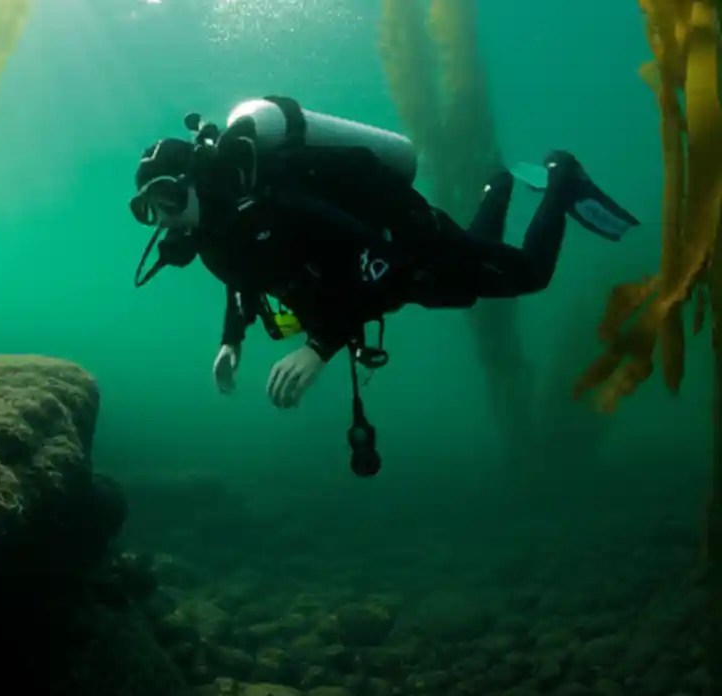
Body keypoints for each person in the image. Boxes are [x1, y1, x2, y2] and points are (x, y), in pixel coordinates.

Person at [127, 95, 639, 476]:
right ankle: (498, 184)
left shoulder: (278, 201)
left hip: (408, 243)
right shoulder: (215, 233)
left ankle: (562, 175)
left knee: (528, 275)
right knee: (466, 286)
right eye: (149, 209)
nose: (163, 219)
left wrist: (320, 347)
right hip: (392, 280)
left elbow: (377, 256)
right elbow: (242, 280)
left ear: (198, 178)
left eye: (169, 197)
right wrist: (231, 340)